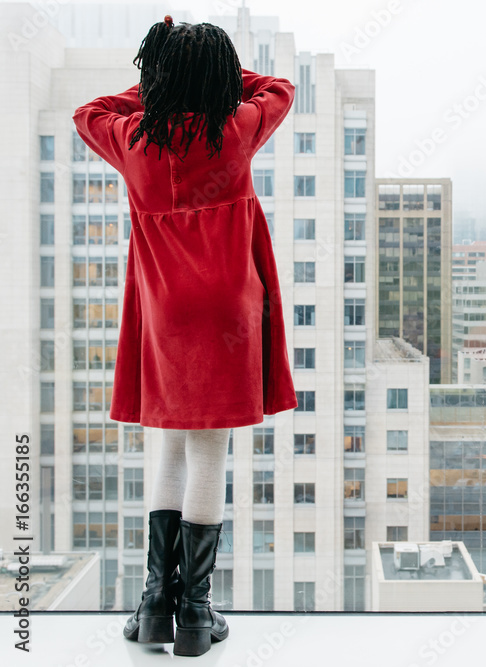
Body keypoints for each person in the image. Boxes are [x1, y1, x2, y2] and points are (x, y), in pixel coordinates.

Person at [73, 16, 297, 657]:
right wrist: (215, 82)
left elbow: (89, 110)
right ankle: (195, 615)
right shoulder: (236, 129)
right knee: (209, 455)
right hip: (228, 310)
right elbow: (277, 87)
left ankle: (153, 605)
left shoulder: (132, 139)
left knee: (168, 449)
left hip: (165, 313)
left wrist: (159, 83)